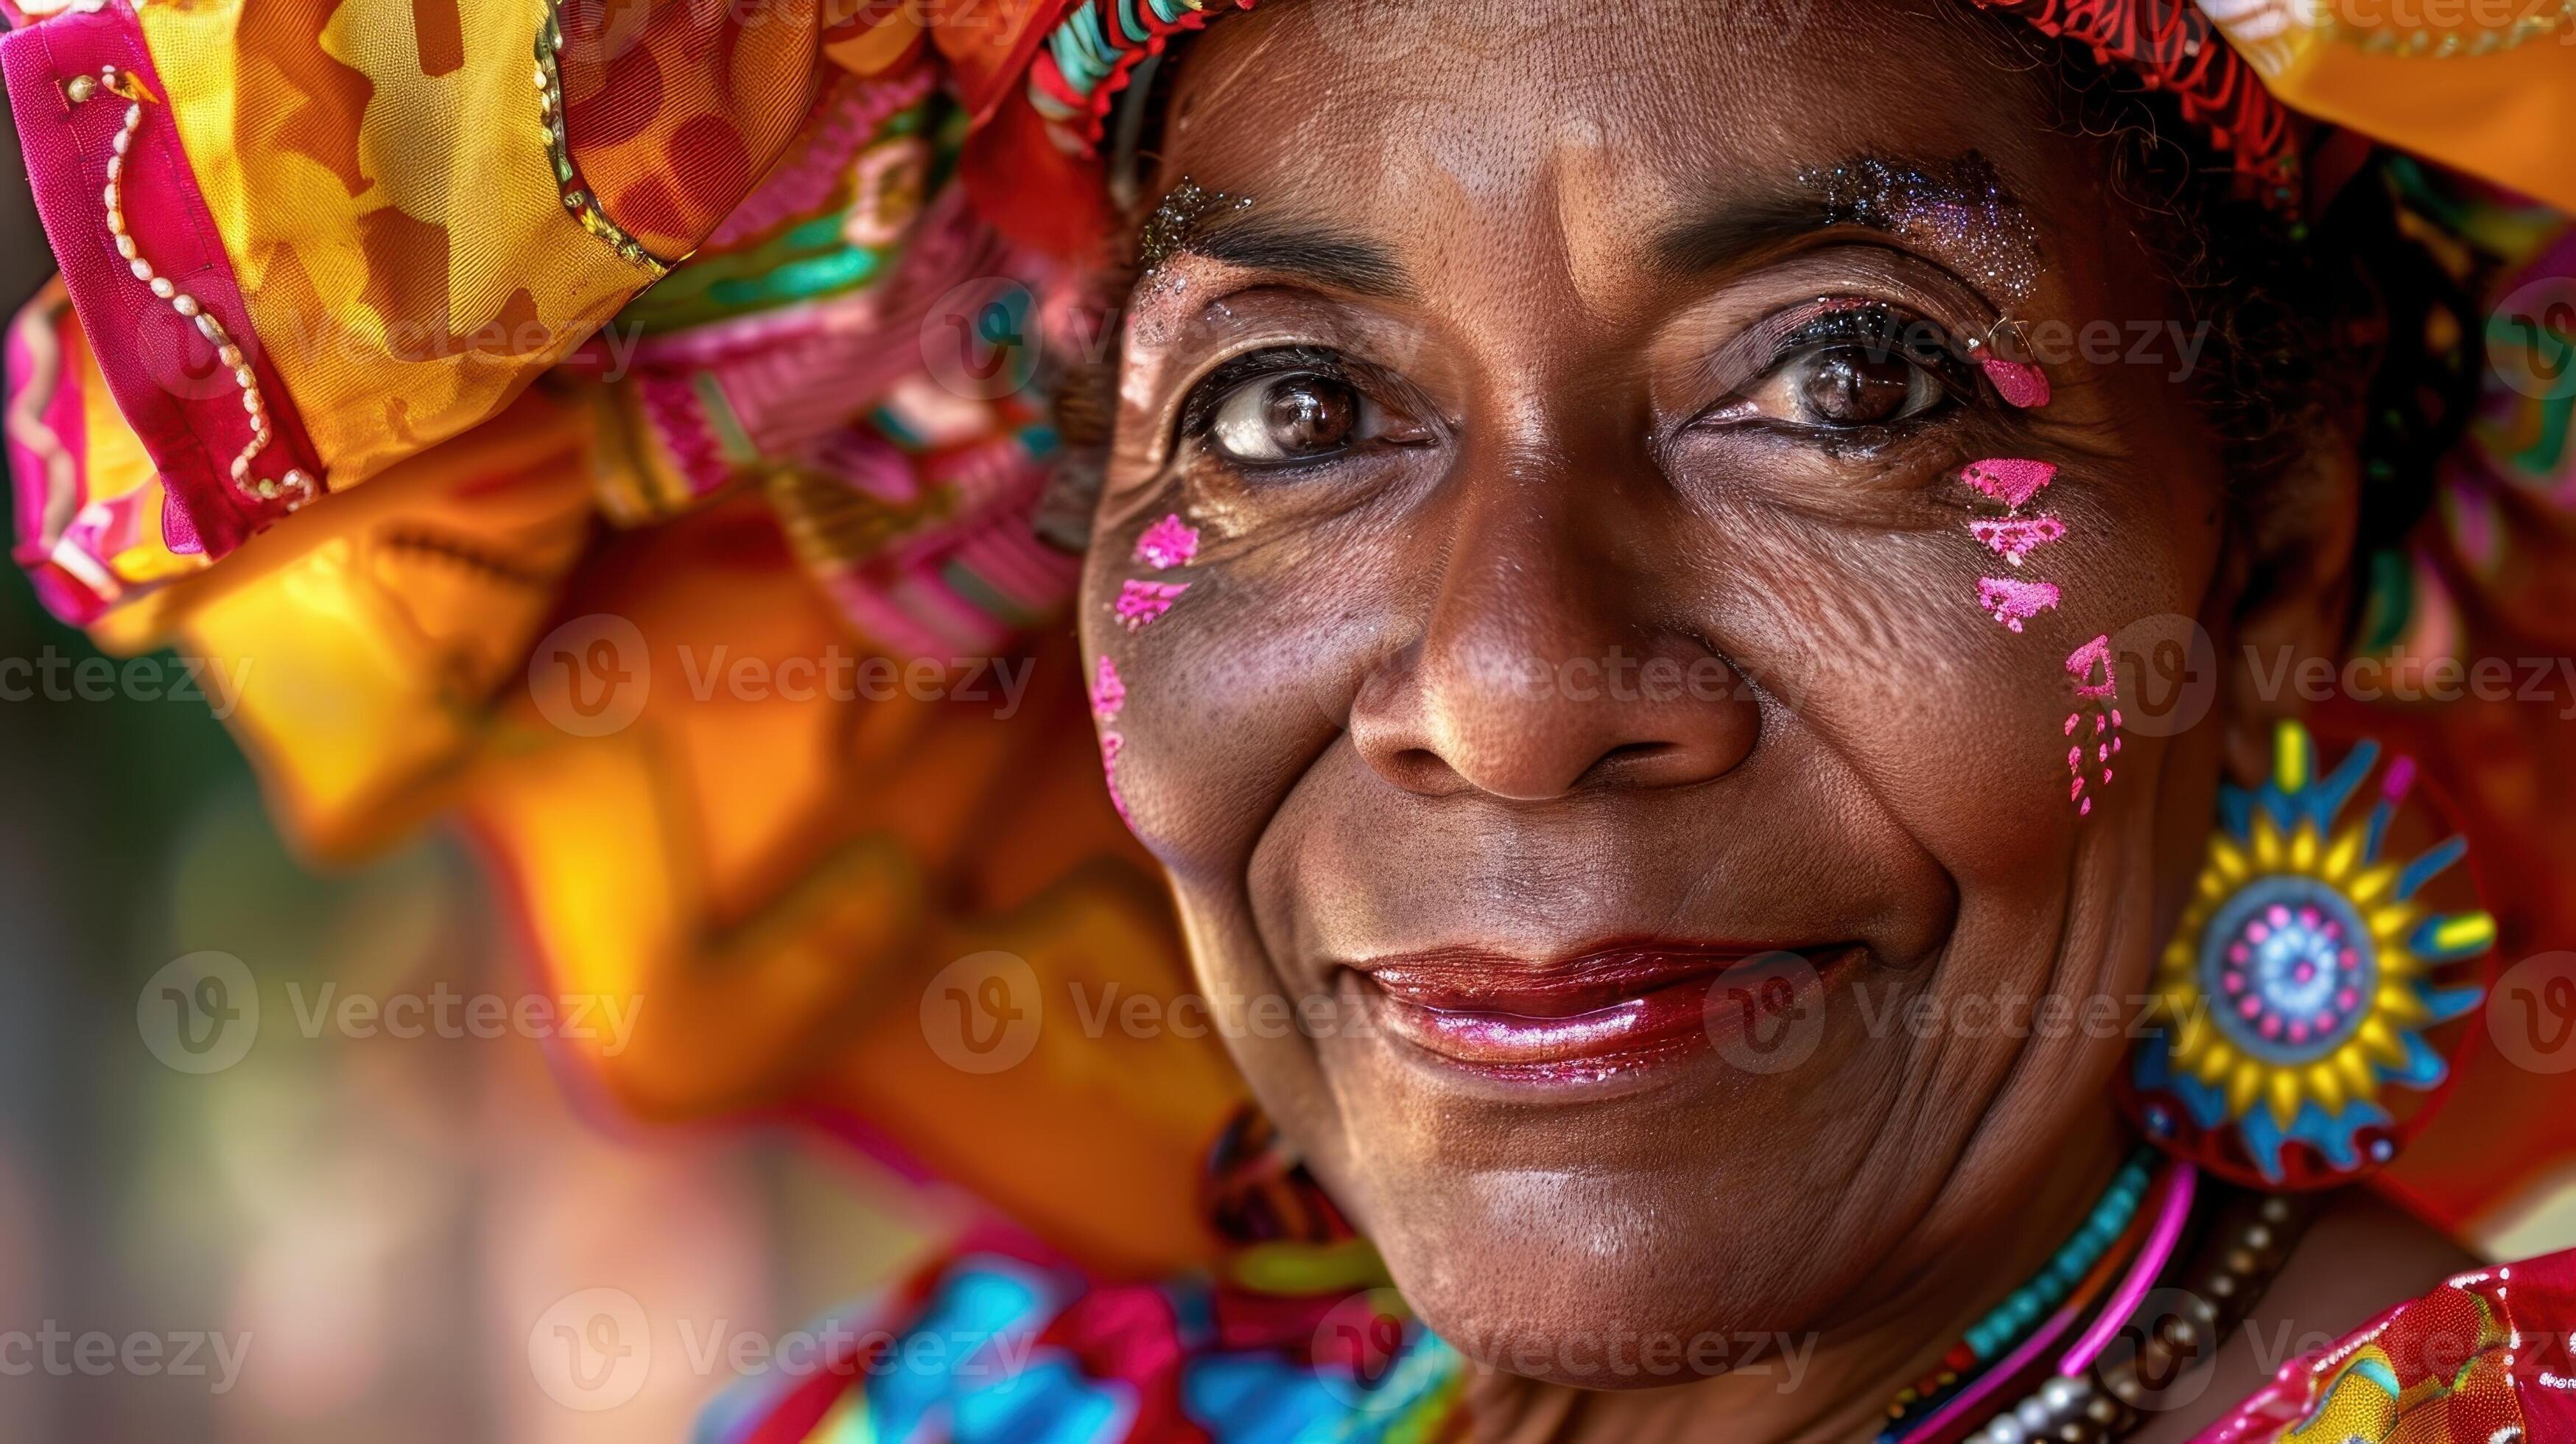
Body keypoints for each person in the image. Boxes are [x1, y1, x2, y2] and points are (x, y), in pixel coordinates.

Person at [6, 0, 2575, 1438]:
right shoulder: (976, 1415)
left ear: (2262, 543)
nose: (1506, 691)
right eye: (1283, 411)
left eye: (1835, 381)